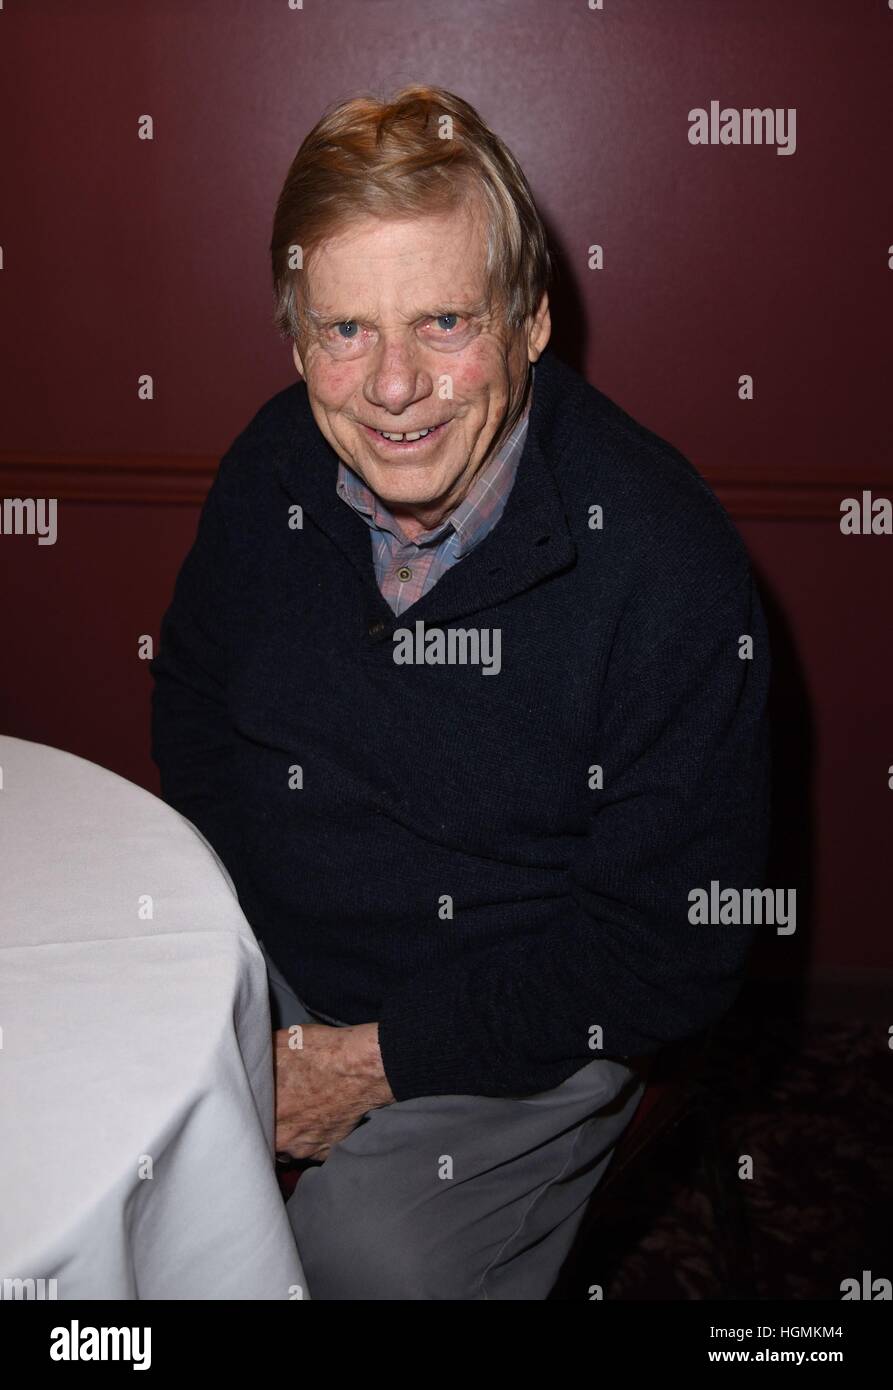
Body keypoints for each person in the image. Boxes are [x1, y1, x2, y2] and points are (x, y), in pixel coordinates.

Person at [150, 84, 770, 1300]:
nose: (392, 389)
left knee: (357, 1268)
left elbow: (669, 947)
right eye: (344, 331)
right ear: (294, 338)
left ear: (531, 321)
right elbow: (192, 707)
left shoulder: (665, 564)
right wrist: (234, 962)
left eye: (442, 320)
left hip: (520, 1020)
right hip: (271, 952)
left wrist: (379, 1062)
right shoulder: (270, 463)